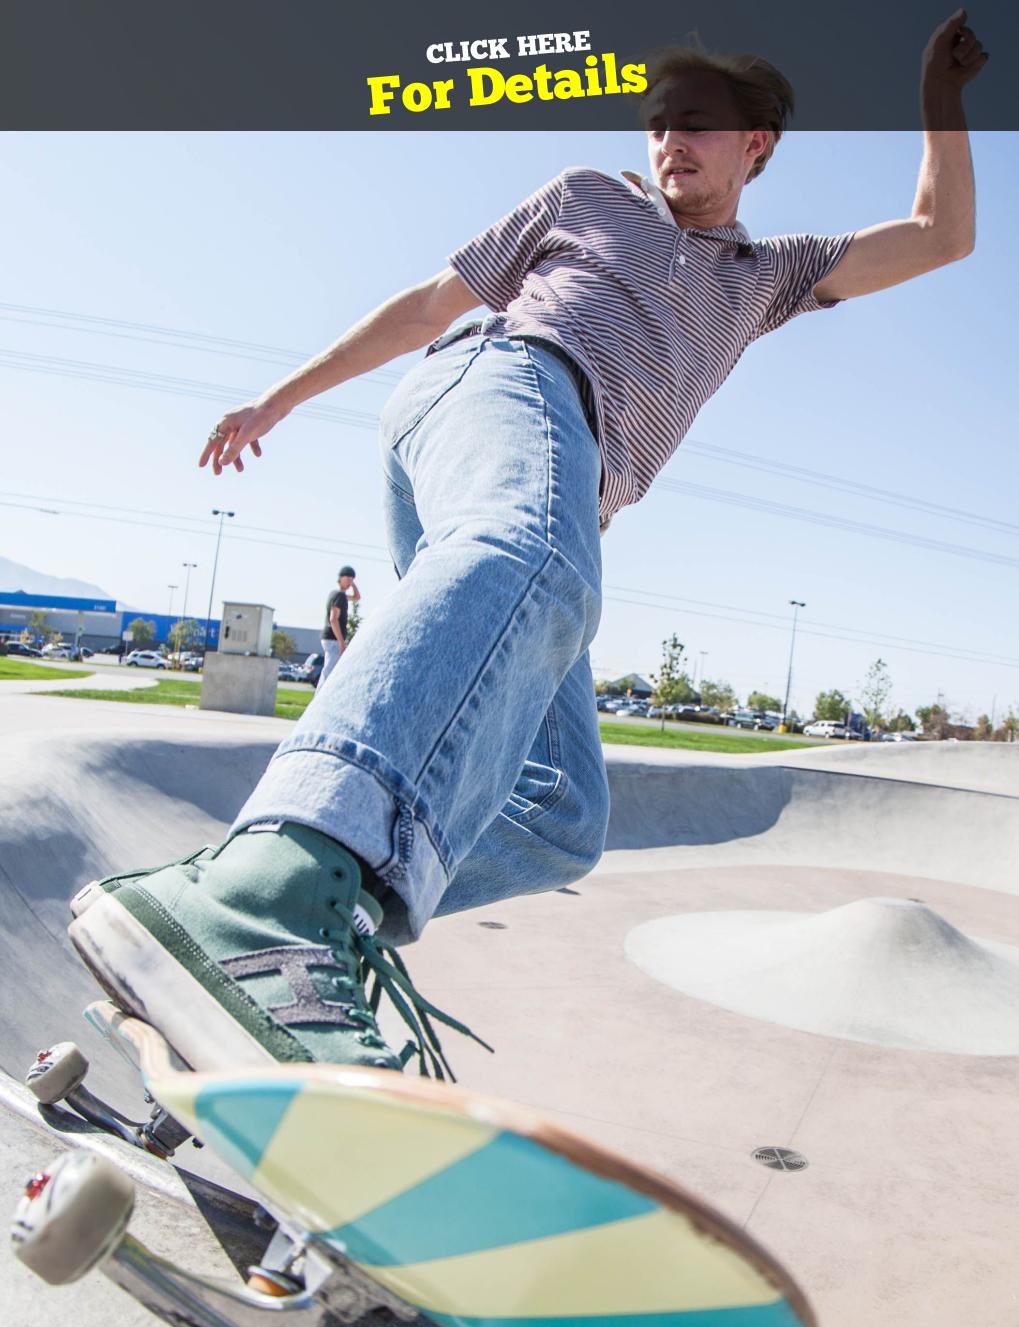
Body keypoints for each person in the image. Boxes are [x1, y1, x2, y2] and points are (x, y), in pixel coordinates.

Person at [69, 15, 986, 1078]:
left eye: (696, 124)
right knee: (538, 557)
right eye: (657, 125)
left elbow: (938, 236)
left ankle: (311, 908)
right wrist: (278, 398)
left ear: (757, 146)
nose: (667, 142)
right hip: (499, 388)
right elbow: (428, 302)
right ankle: (260, 898)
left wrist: (936, 93)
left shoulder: (768, 276)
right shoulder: (587, 196)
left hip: (560, 486)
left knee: (560, 814)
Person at [317, 565, 360, 693]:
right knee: (329, 672)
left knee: (330, 670)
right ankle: (318, 702)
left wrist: (352, 584)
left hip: (330, 638)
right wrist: (341, 642)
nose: (350, 581)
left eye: (352, 579)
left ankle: (320, 699)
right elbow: (333, 619)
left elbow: (357, 597)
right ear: (340, 578)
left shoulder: (337, 595)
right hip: (333, 638)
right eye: (348, 578)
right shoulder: (339, 596)